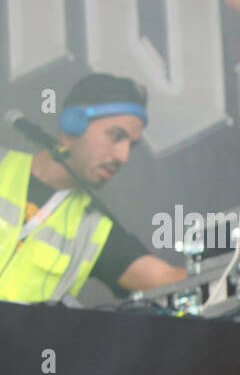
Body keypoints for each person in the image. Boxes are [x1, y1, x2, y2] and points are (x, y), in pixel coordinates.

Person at [0, 73, 186, 303]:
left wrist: (239, 261)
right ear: (73, 122)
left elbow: (168, 280)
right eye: (116, 136)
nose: (124, 156)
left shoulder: (96, 229)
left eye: (132, 145)